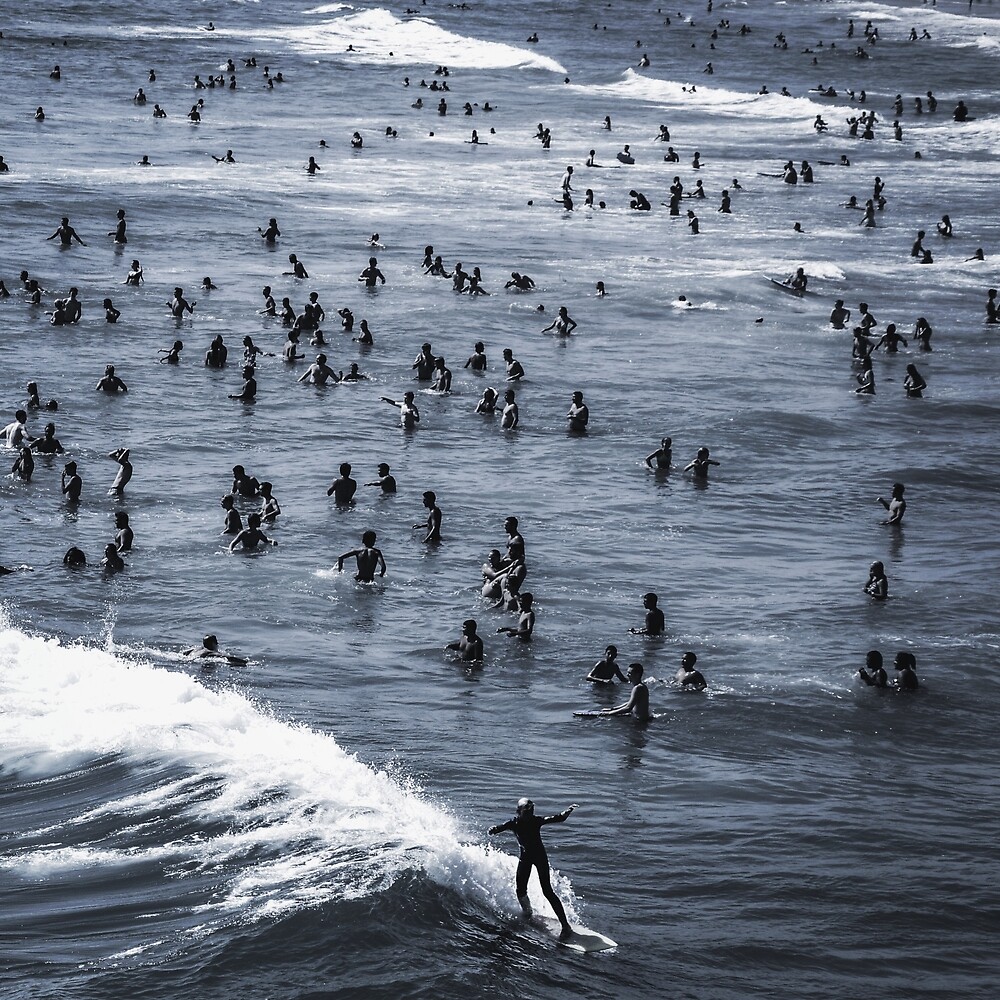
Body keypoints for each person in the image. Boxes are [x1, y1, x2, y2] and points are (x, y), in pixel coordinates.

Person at [487, 799, 576, 937]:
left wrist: (567, 812)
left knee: (547, 891)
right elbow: (500, 827)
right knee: (520, 890)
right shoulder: (513, 823)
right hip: (525, 858)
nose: (530, 813)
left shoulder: (536, 821)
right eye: (527, 811)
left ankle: (565, 926)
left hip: (540, 858)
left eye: (532, 810)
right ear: (519, 811)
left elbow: (557, 818)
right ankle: (528, 913)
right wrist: (494, 829)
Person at [182, 634, 247, 666]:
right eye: (216, 642)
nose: (217, 644)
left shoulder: (195, 649)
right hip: (195, 662)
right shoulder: (210, 652)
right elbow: (229, 657)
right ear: (213, 644)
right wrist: (246, 662)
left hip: (188, 660)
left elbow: (183, 653)